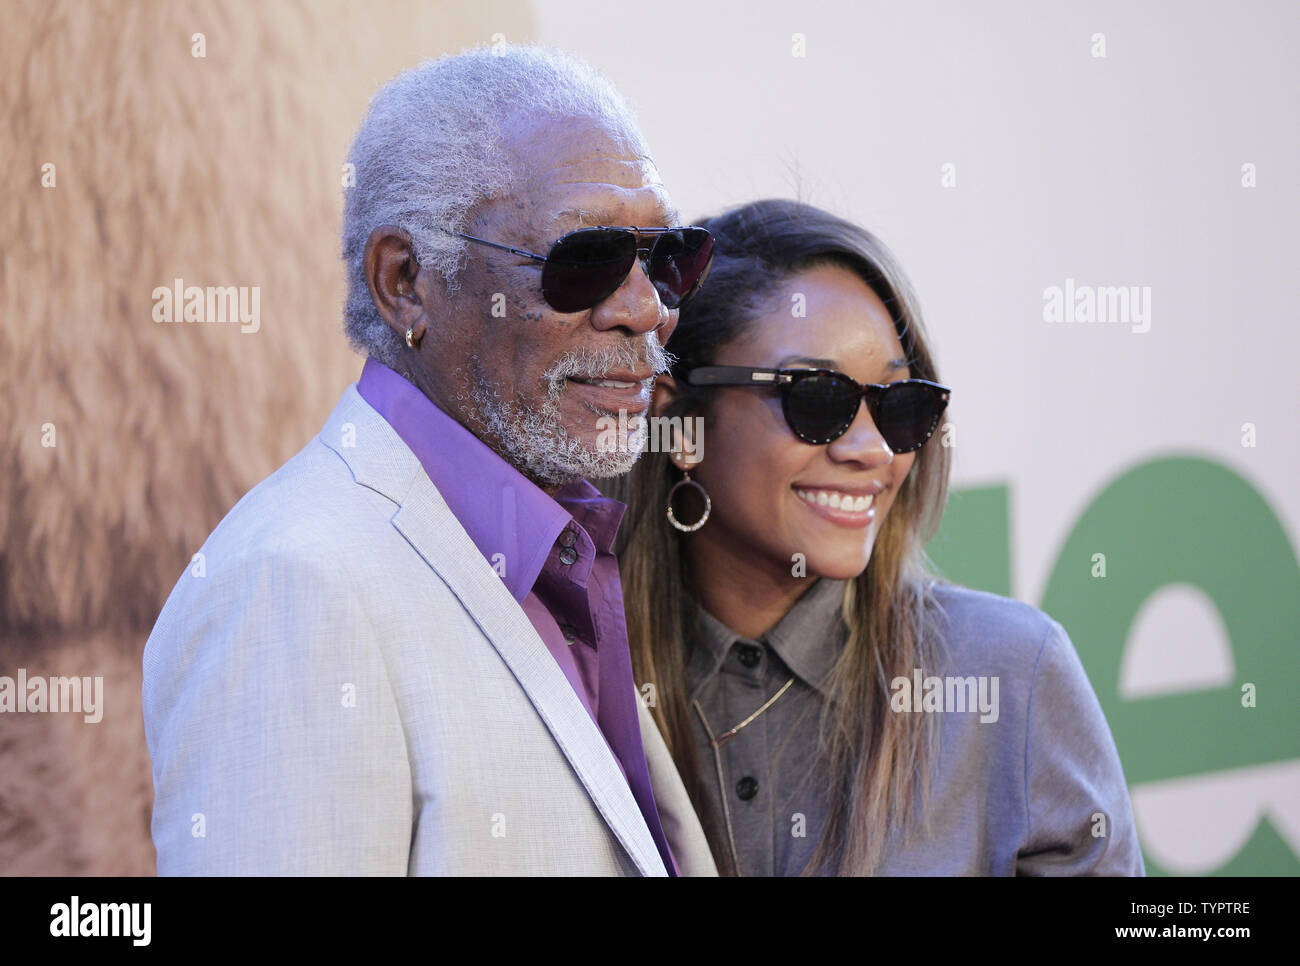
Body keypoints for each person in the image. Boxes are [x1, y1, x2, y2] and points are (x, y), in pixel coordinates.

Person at [142, 45, 719, 876]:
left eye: (669, 260)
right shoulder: (289, 586)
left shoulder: (557, 540)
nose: (644, 310)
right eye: (584, 261)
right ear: (405, 281)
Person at [606, 198, 1145, 876]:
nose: (872, 450)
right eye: (817, 398)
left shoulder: (1008, 675)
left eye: (899, 405)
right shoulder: (587, 679)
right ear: (678, 418)